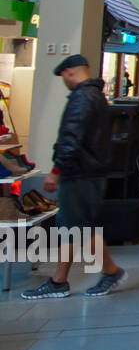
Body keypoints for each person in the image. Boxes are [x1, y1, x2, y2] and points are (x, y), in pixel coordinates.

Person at [22, 55, 125, 299]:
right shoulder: (97, 96)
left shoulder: (81, 98)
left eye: (63, 78)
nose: (64, 83)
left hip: (79, 173)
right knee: (73, 227)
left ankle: (108, 272)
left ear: (70, 73)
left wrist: (56, 171)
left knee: (78, 228)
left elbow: (71, 138)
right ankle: (61, 280)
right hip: (91, 172)